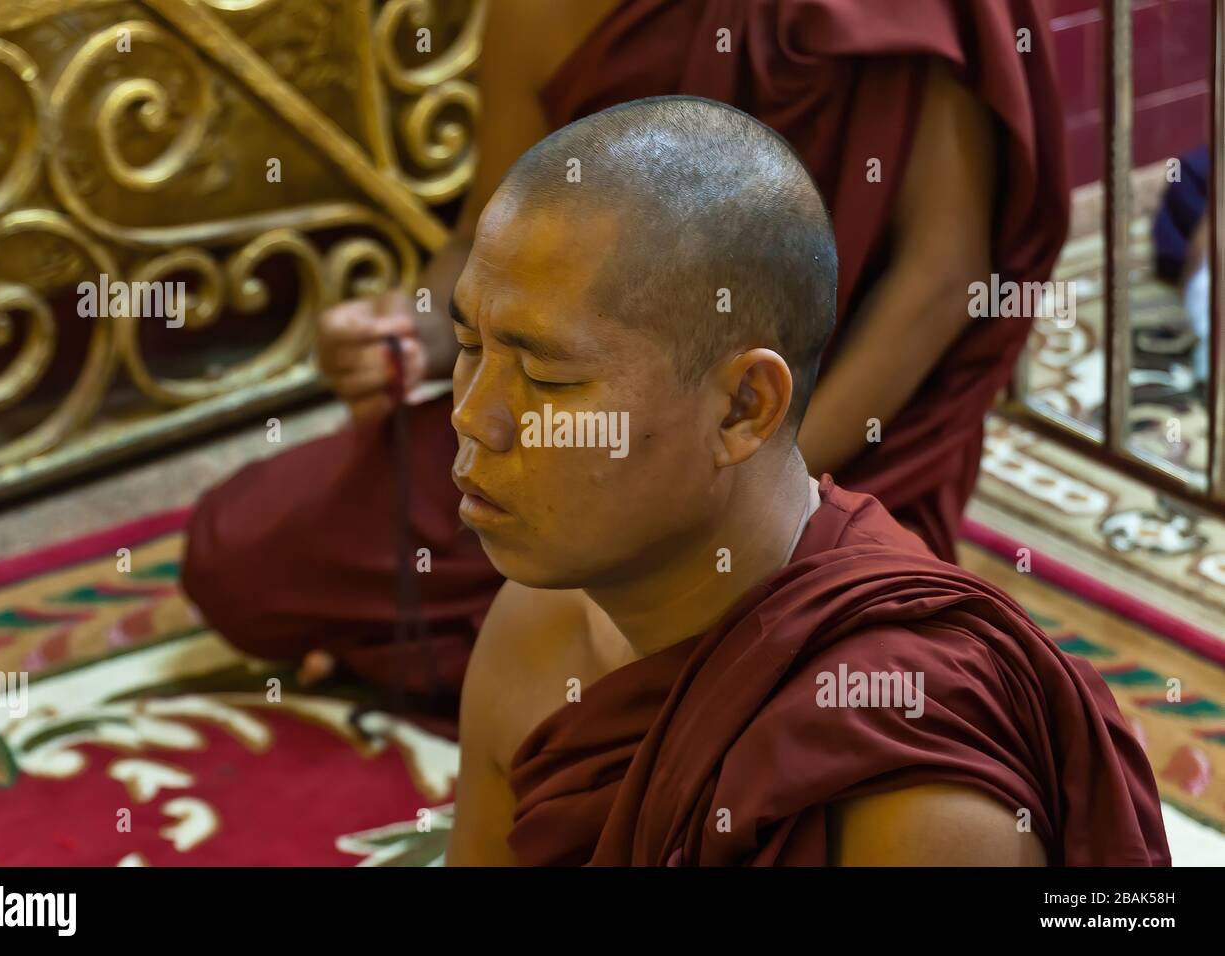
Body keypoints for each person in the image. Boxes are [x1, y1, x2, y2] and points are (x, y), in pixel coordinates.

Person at [181, 0, 1069, 699]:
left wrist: (756, 482)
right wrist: (405, 324)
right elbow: (479, 246)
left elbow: (944, 275)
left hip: (805, 450)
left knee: (842, 690)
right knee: (243, 554)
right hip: (571, 421)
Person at [443, 95, 1168, 866]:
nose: (474, 417)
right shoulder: (533, 628)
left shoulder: (915, 794)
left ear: (743, 408)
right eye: (467, 343)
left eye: (547, 378)